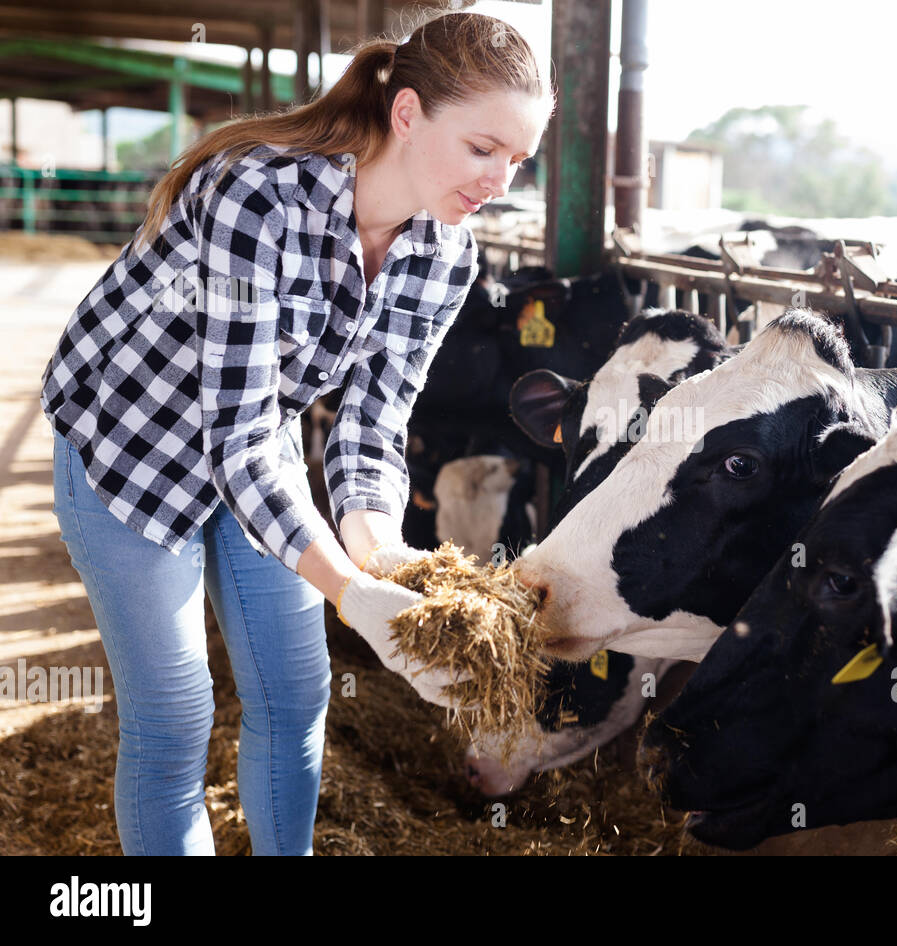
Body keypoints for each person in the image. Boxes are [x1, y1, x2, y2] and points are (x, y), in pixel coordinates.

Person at [40, 11, 552, 856]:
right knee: (175, 712)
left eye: (519, 160)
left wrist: (384, 557)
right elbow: (233, 437)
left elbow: (372, 425)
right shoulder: (259, 193)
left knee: (296, 691)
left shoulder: (445, 254)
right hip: (128, 448)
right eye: (482, 148)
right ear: (408, 113)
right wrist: (347, 591)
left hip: (255, 440)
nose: (500, 179)